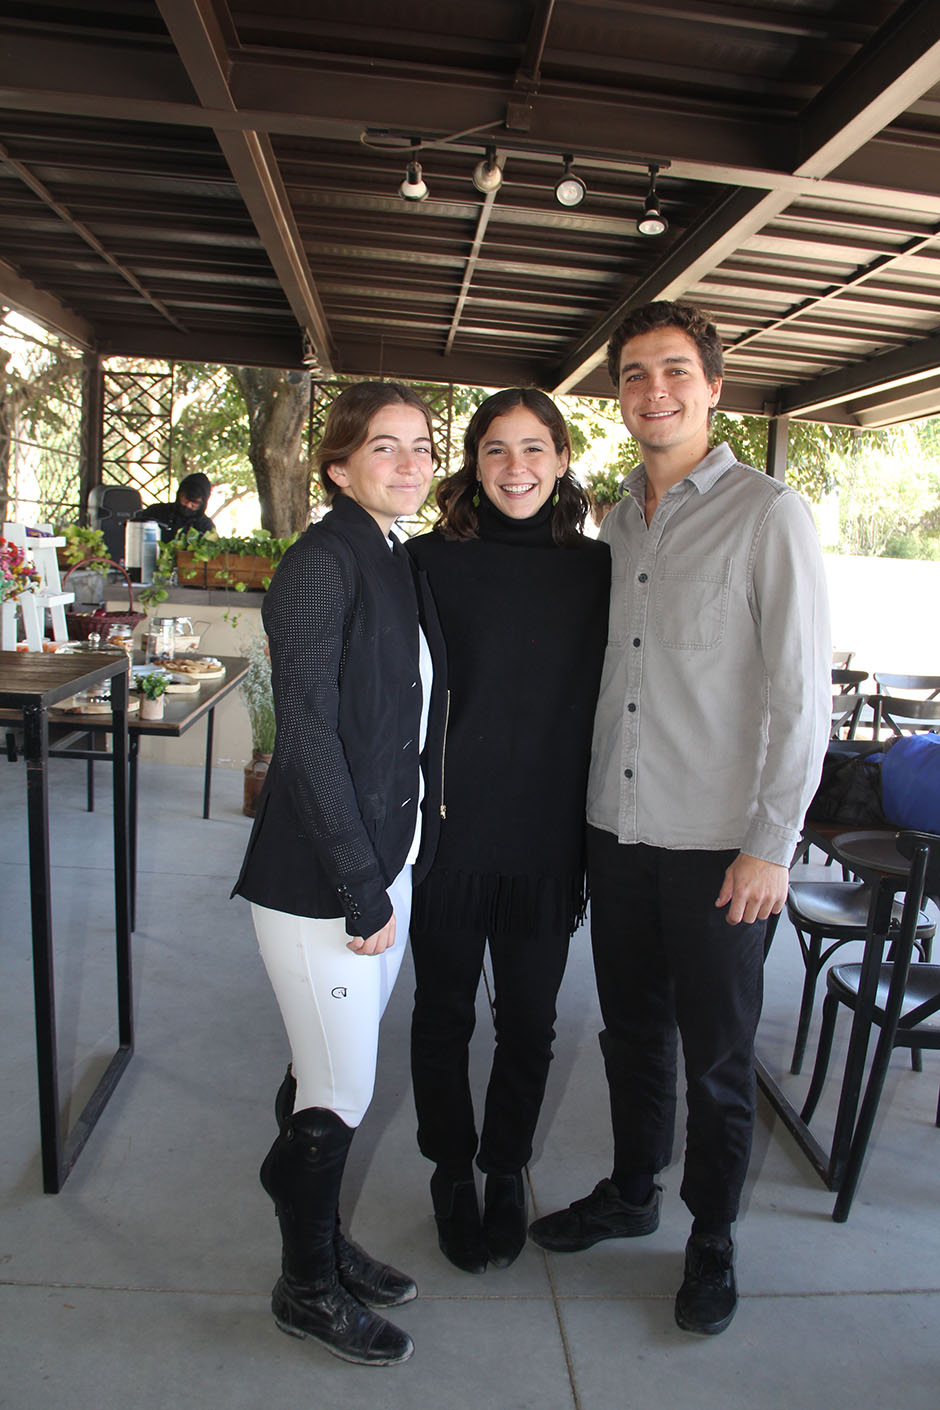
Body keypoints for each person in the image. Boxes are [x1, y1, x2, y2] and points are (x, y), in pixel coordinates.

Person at [528, 302, 831, 1335]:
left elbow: (801, 697)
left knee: (716, 1055)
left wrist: (769, 844)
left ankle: (709, 1237)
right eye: (632, 375)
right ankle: (629, 1191)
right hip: (616, 834)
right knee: (630, 1034)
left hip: (719, 849)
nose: (651, 390)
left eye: (672, 371)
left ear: (712, 386)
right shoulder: (612, 522)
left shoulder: (766, 512)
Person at [232, 381, 446, 1366]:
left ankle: (314, 1226)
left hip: (382, 864)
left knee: (321, 1072)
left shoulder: (391, 554)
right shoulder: (324, 562)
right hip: (323, 879)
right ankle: (304, 1286)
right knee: (342, 1088)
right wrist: (362, 883)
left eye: (421, 447)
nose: (409, 464)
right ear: (339, 465)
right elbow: (307, 735)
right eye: (385, 448)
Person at [406, 388, 611, 1274]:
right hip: (449, 837)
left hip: (546, 840)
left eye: (534, 449)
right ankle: (451, 1169)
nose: (516, 467)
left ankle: (503, 1167)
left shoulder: (599, 570)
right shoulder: (427, 563)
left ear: (563, 461)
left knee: (530, 1021)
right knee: (442, 1016)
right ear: (473, 463)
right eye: (496, 449)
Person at [132, 471, 215, 541]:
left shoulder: (206, 526)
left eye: (194, 503)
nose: (188, 505)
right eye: (185, 499)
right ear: (179, 495)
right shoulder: (156, 512)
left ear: (203, 503)